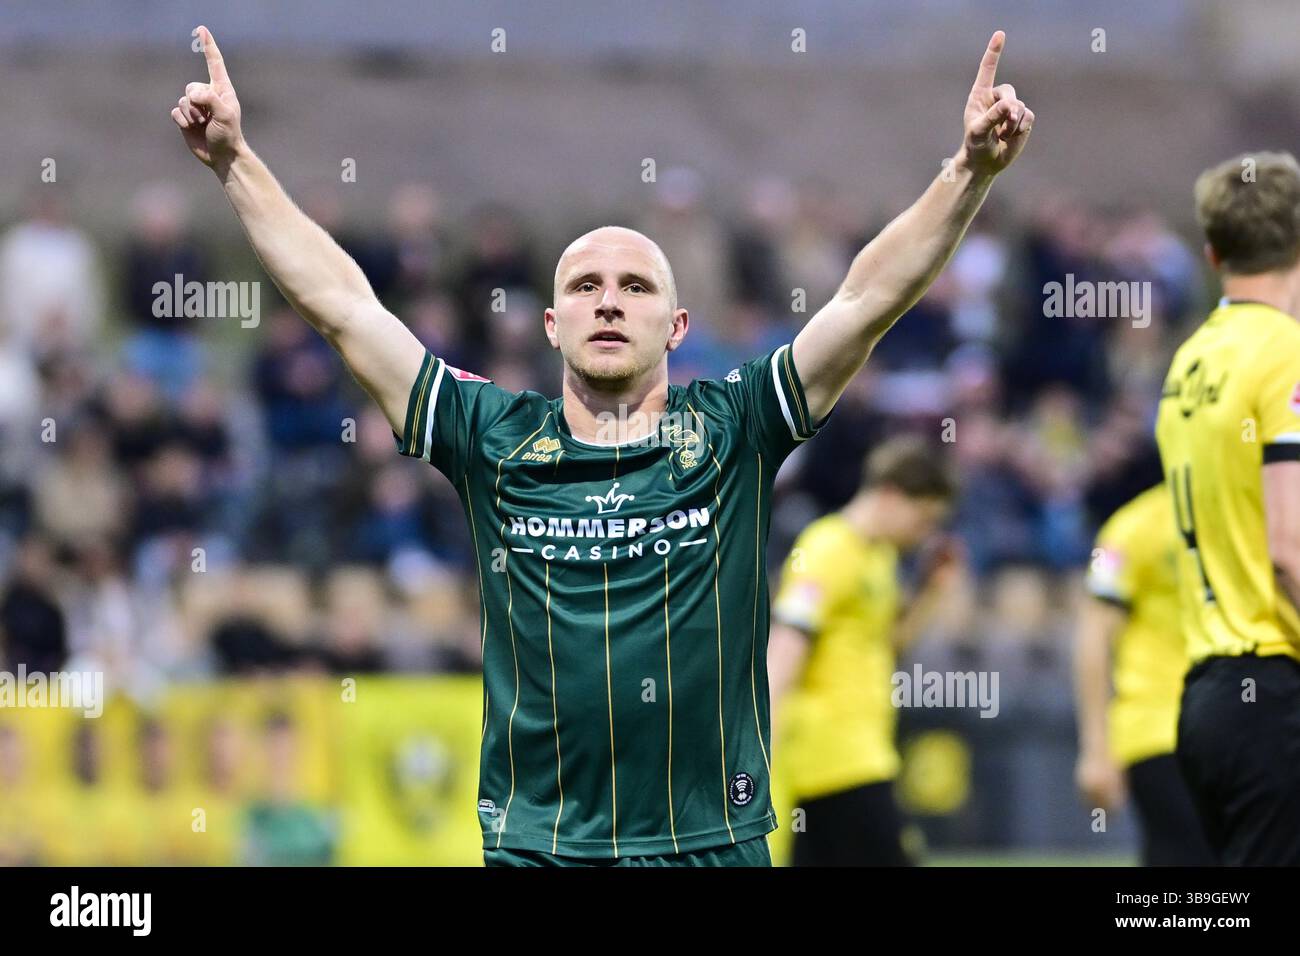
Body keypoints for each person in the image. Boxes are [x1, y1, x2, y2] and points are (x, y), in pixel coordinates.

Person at [170, 25, 1033, 866]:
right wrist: (237, 163)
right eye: (585, 286)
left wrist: (967, 172)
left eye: (634, 287)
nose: (609, 302)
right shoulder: (491, 437)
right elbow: (346, 307)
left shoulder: (735, 430)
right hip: (539, 846)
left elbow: (864, 299)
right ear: (552, 324)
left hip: (709, 843)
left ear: (677, 324)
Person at [1154, 151, 1300, 865]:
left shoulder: (1188, 362)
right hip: (1274, 686)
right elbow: (1289, 549)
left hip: (1207, 695)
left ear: (1211, 253)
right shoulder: (1288, 354)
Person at [768, 436, 960, 866]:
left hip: (855, 752)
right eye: (924, 518)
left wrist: (930, 593)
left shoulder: (879, 558)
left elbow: (883, 646)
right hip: (835, 756)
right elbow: (785, 646)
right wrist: (763, 745)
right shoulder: (828, 548)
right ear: (891, 495)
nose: (925, 532)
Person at [1073, 484, 1214, 865]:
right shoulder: (1126, 529)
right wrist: (1095, 748)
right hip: (1160, 727)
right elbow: (1094, 635)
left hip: (1226, 724)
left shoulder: (1126, 527)